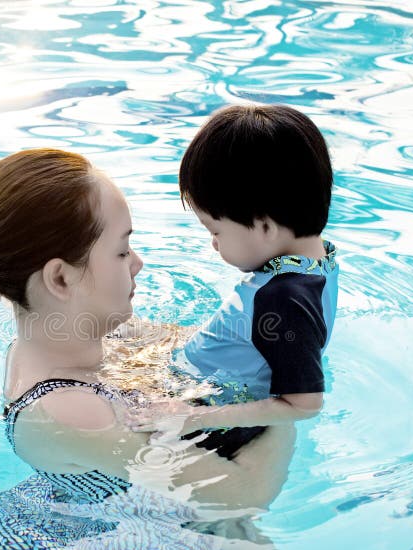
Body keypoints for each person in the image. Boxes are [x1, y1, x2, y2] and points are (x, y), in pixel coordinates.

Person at [0, 148, 319, 550]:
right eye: (121, 251)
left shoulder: (85, 335)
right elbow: (242, 495)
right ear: (61, 277)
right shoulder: (65, 410)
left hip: (129, 508)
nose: (138, 262)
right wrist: (285, 404)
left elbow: (198, 352)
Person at [132, 104, 340, 461]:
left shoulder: (284, 298)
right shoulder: (318, 261)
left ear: (265, 227)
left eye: (216, 230)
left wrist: (192, 417)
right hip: (207, 382)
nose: (213, 242)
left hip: (211, 418)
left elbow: (304, 404)